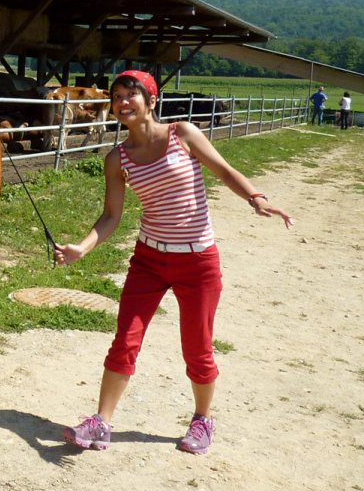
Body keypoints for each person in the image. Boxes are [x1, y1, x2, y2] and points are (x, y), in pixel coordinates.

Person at [54, 70, 294, 456]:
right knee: (125, 341)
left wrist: (256, 198)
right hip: (149, 260)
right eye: (116, 96)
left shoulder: (182, 135)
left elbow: (223, 170)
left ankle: (202, 419)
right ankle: (101, 422)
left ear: (151, 101)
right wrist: (82, 248)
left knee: (197, 348)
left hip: (198, 261)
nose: (122, 102)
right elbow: (111, 216)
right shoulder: (117, 159)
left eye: (132, 94)